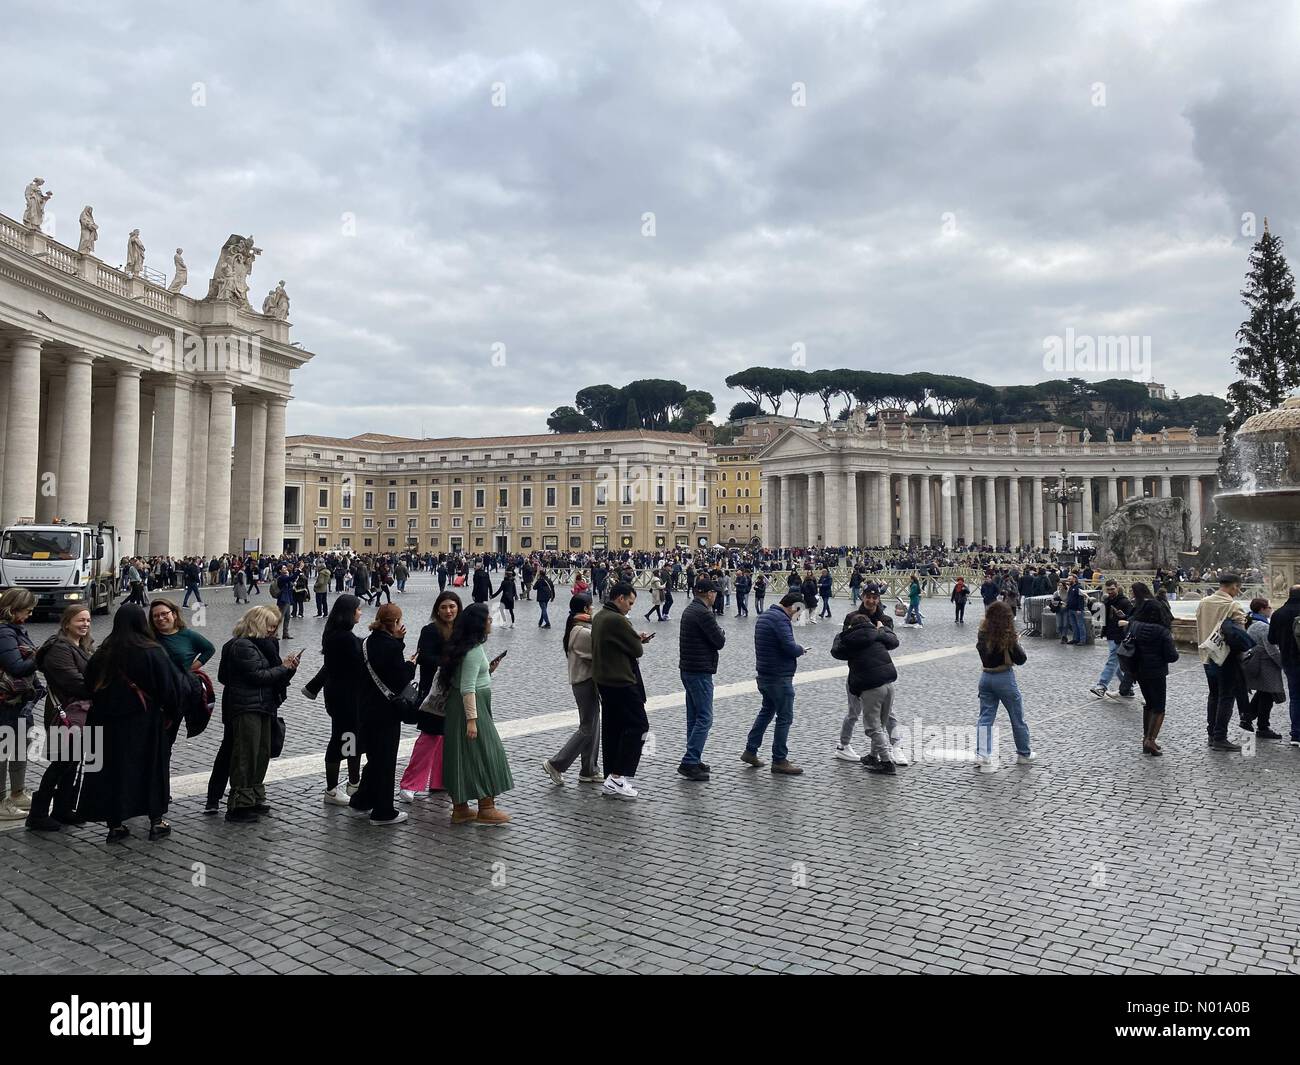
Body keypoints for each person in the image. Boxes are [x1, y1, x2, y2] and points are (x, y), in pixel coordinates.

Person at [77, 605, 201, 841]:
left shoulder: (103, 652)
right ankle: (156, 821)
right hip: (143, 722)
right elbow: (169, 689)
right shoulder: (151, 651)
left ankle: (115, 824)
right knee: (151, 769)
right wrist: (171, 714)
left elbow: (89, 685)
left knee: (112, 771)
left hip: (107, 723)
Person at [440, 603, 513, 823]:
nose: (491, 621)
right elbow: (467, 688)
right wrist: (472, 720)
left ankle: (460, 808)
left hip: (460, 706)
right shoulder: (472, 651)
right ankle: (486, 806)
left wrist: (488, 671)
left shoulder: (465, 647)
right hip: (471, 708)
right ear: (478, 624)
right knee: (487, 752)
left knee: (460, 754)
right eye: (488, 619)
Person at [28, 605, 95, 830]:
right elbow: (75, 683)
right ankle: (37, 814)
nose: (85, 624)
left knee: (72, 762)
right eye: (80, 620)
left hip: (78, 713)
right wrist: (100, 685)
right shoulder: (59, 648)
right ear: (67, 623)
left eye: (87, 620)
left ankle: (63, 809)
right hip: (64, 713)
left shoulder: (82, 645)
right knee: (62, 762)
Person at [351, 603, 416, 825]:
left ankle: (362, 799)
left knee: (375, 758)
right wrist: (410, 664)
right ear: (396, 622)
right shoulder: (391, 646)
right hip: (386, 712)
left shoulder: (367, 642)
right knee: (385, 761)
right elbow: (399, 679)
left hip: (366, 707)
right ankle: (383, 811)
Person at [591, 581, 653, 799]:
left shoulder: (599, 616)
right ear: (619, 598)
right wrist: (638, 640)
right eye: (630, 602)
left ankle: (611, 776)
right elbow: (636, 650)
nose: (631, 607)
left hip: (604, 681)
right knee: (639, 725)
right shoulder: (617, 619)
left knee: (613, 729)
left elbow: (616, 643)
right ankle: (618, 777)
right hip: (621, 680)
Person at [400, 592, 459, 800]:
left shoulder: (461, 631)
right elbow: (424, 657)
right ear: (437, 610)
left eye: (452, 606)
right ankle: (410, 783)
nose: (448, 611)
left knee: (445, 738)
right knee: (429, 738)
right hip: (433, 693)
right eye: (444, 607)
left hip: (454, 692)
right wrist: (449, 663)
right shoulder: (430, 630)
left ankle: (439, 781)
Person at [742, 591, 808, 775]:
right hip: (779, 676)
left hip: (764, 673)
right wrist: (800, 650)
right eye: (798, 612)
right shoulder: (781, 620)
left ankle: (750, 750)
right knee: (784, 717)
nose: (797, 616)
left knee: (766, 712)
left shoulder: (765, 616)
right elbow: (789, 647)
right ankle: (779, 759)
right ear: (794, 607)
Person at [543, 594, 603, 785]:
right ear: (586, 609)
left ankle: (589, 769)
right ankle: (556, 764)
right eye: (591, 606)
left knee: (593, 726)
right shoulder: (582, 632)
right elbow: (599, 655)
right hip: (585, 682)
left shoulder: (579, 628)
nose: (593, 609)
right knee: (587, 728)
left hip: (585, 682)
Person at [831, 612, 900, 774]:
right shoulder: (878, 635)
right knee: (881, 725)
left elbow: (836, 651)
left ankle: (886, 762)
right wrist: (883, 628)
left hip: (871, 687)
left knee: (873, 727)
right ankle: (873, 756)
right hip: (889, 684)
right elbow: (893, 640)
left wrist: (841, 633)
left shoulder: (850, 640)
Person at [974, 601, 1035, 772]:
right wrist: (1016, 643)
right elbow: (1021, 659)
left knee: (985, 718)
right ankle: (1024, 754)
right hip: (1004, 677)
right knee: (1017, 718)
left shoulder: (982, 633)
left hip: (985, 677)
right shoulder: (1007, 636)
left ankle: (982, 755)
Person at [148, 598, 216, 748]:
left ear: (174, 614)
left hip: (177, 696)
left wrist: (192, 669)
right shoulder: (149, 637)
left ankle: (163, 768)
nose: (160, 618)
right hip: (153, 696)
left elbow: (209, 649)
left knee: (167, 740)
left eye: (164, 614)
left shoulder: (188, 635)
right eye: (156, 616)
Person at [677, 578, 726, 781]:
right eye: (715, 593)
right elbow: (719, 640)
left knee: (694, 717)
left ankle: (694, 757)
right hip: (699, 670)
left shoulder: (690, 610)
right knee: (705, 717)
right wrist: (721, 632)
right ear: (708, 593)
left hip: (688, 669)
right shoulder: (704, 613)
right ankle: (689, 761)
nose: (716, 596)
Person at [1123, 583, 1180, 756]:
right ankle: (1151, 740)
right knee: (1159, 707)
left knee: (1148, 703)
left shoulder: (1135, 626)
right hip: (1156, 672)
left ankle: (1145, 737)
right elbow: (1172, 656)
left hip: (1138, 670)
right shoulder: (1162, 631)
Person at [320, 594, 365, 806]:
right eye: (358, 609)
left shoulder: (337, 634)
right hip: (345, 696)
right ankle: (334, 788)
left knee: (349, 737)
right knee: (344, 738)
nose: (360, 612)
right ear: (348, 612)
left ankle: (352, 783)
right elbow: (359, 662)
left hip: (340, 694)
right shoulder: (344, 638)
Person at [0, 589, 40, 820]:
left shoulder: (15, 629)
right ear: (13, 609)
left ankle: (17, 793)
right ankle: (2, 800)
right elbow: (16, 666)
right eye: (27, 611)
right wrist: (39, 656)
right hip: (7, 702)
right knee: (4, 751)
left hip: (19, 701)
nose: (30, 615)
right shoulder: (5, 632)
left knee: (20, 747)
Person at [1196, 573, 1248, 752]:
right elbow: (1241, 634)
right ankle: (1220, 737)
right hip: (1226, 658)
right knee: (1226, 696)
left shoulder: (1203, 602)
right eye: (1238, 587)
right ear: (1233, 586)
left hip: (1206, 655)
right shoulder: (1233, 605)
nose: (1238, 591)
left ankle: (1211, 733)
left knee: (1213, 694)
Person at [1241, 596, 1284, 739]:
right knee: (1267, 695)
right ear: (1262, 609)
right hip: (1266, 665)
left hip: (1258, 663)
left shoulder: (1253, 622)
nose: (1271, 610)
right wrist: (1282, 664)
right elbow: (1271, 649)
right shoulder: (1263, 626)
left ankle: (1248, 718)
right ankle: (1263, 726)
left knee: (1263, 694)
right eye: (1269, 607)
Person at [1266, 583, 1300, 747]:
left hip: (1290, 660)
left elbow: (1271, 639)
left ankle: (1296, 735)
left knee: (1295, 697)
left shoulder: (1279, 614)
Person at [1090, 579, 1135, 699]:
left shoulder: (1125, 602)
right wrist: (1091, 605)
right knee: (1118, 665)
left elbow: (1132, 618)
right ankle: (1128, 687)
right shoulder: (1107, 601)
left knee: (1112, 661)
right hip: (1110, 634)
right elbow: (1099, 617)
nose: (1110, 591)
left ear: (1117, 588)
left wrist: (1124, 616)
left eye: (1112, 589)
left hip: (1119, 636)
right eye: (1108, 589)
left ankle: (1101, 686)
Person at [274, 566, 295, 640]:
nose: (286, 569)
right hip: (283, 600)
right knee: (280, 617)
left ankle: (285, 633)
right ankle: (274, 634)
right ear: (280, 570)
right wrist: (299, 569)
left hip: (287, 599)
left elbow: (291, 583)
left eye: (286, 568)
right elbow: (291, 579)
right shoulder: (281, 578)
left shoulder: (285, 577)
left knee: (287, 617)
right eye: (284, 568)